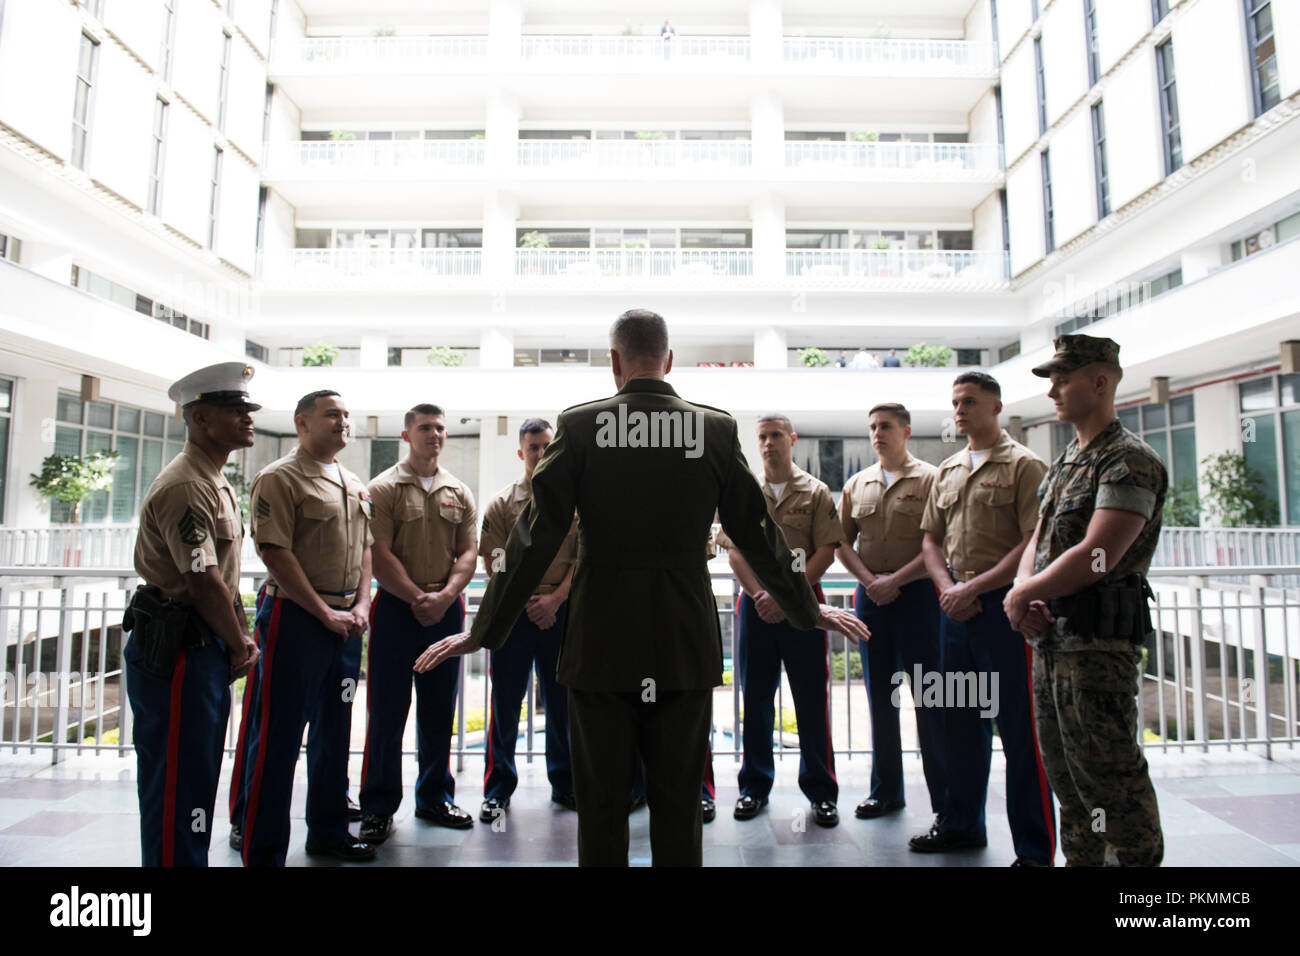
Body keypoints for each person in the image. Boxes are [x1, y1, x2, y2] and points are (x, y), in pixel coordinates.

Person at [412, 309, 869, 866]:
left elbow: (534, 538)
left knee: (601, 807)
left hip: (601, 647)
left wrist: (482, 630)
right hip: (681, 645)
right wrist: (808, 609)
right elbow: (759, 534)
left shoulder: (580, 427)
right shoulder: (715, 429)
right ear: (669, 360)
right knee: (678, 806)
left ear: (614, 363)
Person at [1004, 334, 1165, 866]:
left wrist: (1026, 591)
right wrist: (1022, 592)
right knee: (1068, 782)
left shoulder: (1129, 460)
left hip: (1097, 650)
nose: (1052, 390)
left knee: (1111, 779)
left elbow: (1100, 554)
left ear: (1099, 383)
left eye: (1062, 378)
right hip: (1053, 643)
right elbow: (1037, 536)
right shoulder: (1069, 459)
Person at [914, 371, 1056, 866]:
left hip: (1003, 611)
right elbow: (930, 540)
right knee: (958, 726)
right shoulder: (947, 469)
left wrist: (975, 587)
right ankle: (961, 825)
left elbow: (1031, 543)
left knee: (1019, 733)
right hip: (954, 611)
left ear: (996, 407)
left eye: (970, 401)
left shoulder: (1025, 466)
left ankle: (1035, 851)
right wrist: (950, 589)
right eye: (955, 402)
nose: (960, 410)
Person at [124, 362, 261, 866]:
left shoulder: (212, 479)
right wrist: (240, 643)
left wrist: (236, 637)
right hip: (179, 647)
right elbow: (203, 582)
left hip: (201, 645)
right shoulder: (187, 485)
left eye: (248, 409)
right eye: (235, 410)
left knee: (197, 775)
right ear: (200, 418)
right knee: (178, 783)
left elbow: (220, 577)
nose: (248, 418)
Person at [238, 390, 375, 865]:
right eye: (332, 414)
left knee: (335, 734)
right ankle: (264, 849)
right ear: (302, 423)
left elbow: (365, 549)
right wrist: (323, 612)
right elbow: (274, 552)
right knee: (278, 737)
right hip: (296, 621)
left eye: (346, 414)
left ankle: (329, 833)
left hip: (345, 626)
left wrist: (362, 604)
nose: (343, 421)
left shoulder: (354, 482)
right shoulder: (279, 478)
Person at [359, 404, 480, 843]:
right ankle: (377, 806)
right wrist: (416, 597)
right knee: (387, 712)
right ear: (407, 435)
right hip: (396, 609)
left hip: (445, 610)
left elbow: (468, 552)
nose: (435, 434)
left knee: (438, 709)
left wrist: (445, 597)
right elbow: (378, 553)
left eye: (441, 428)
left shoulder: (459, 491)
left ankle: (434, 797)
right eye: (425, 427)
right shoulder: (383, 488)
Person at [716, 414, 842, 827]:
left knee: (811, 702)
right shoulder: (743, 492)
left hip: (805, 609)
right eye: (763, 437)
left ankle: (822, 792)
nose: (769, 443)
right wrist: (760, 594)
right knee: (755, 701)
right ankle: (754, 787)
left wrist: (789, 596)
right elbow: (734, 551)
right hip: (756, 606)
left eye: (776, 436)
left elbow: (826, 549)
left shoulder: (816, 491)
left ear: (792, 439)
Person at [837, 403, 946, 823]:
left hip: (918, 597)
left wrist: (894, 581)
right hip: (871, 600)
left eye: (886, 426)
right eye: (872, 427)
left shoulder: (932, 479)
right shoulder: (857, 484)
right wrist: (869, 581)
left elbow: (939, 544)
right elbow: (841, 542)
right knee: (880, 700)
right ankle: (886, 792)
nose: (878, 433)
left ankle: (944, 803)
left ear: (906, 430)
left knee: (929, 700)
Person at [479, 417, 579, 823]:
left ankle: (566, 783)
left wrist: (554, 600)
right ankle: (498, 789)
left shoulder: (575, 504)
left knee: (562, 705)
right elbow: (494, 561)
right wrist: (525, 602)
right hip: (514, 617)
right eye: (532, 447)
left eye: (545, 446)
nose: (539, 453)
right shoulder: (502, 504)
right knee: (506, 703)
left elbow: (581, 559)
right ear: (521, 452)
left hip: (559, 612)